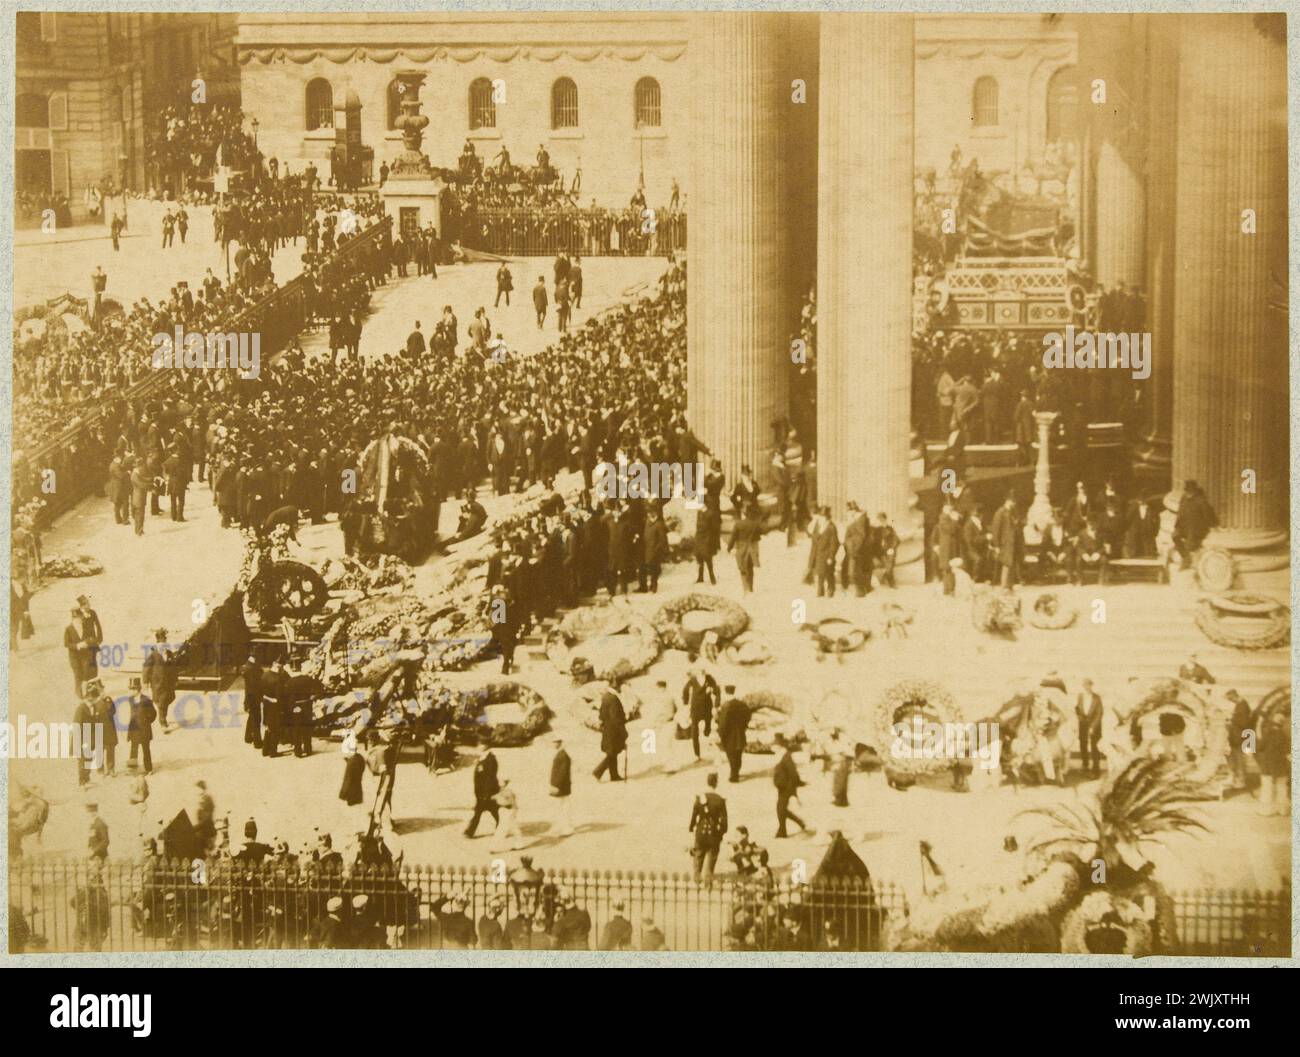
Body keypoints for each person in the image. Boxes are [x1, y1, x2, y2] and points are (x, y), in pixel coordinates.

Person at [688, 772, 728, 886]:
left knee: (698, 855)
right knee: (712, 856)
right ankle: (708, 880)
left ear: (707, 782)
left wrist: (691, 828)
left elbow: (694, 815)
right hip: (713, 833)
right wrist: (722, 832)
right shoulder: (720, 800)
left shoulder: (700, 798)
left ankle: (696, 878)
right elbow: (724, 821)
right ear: (716, 783)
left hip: (701, 831)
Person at [682, 662, 720, 762]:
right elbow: (685, 690)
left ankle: (707, 741)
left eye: (703, 670)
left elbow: (717, 690)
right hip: (695, 709)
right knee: (694, 732)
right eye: (699, 670)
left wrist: (716, 705)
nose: (702, 672)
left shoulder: (709, 678)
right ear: (696, 671)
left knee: (707, 729)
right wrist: (685, 704)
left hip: (707, 708)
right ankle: (696, 754)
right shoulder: (693, 679)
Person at [773, 737, 808, 839]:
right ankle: (799, 822)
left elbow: (793, 773)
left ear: (779, 746)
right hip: (782, 787)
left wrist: (796, 786)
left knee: (780, 809)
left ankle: (782, 832)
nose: (772, 748)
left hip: (787, 788)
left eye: (774, 746)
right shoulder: (781, 755)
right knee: (781, 809)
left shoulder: (786, 757)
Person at [592, 683, 627, 782]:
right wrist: (623, 731)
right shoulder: (613, 699)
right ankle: (597, 772)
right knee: (612, 754)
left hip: (608, 729)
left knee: (613, 752)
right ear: (616, 687)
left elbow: (601, 716)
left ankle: (614, 775)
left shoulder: (605, 697)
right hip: (614, 731)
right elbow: (615, 718)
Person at [464, 746, 500, 838]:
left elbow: (490, 778)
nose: (478, 747)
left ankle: (470, 832)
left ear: (485, 746)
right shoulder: (483, 757)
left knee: (479, 812)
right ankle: (501, 826)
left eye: (481, 745)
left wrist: (486, 793)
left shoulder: (491, 759)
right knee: (493, 811)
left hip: (488, 792)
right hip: (482, 792)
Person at [716, 687, 750, 783]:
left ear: (726, 694)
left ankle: (734, 775)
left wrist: (720, 733)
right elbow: (748, 714)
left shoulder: (726, 706)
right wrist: (744, 725)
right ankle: (736, 772)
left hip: (729, 735)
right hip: (740, 733)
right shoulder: (742, 704)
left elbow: (723, 723)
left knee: (731, 755)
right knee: (738, 754)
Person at [729, 503, 762, 594]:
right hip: (752, 549)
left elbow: (733, 537)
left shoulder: (738, 524)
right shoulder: (755, 524)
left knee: (743, 568)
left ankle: (745, 588)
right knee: (750, 568)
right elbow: (758, 537)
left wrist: (729, 547)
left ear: (745, 514)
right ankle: (751, 587)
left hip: (741, 548)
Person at [125, 676, 156, 774]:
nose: (132, 691)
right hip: (133, 729)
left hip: (144, 729)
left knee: (145, 749)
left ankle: (148, 769)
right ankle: (132, 769)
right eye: (131, 689)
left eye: (134, 689)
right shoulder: (130, 699)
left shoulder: (146, 700)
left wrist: (146, 721)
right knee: (133, 749)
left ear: (138, 689)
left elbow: (153, 714)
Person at [1075, 679, 1104, 777]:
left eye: (1088, 685)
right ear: (1083, 687)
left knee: (1094, 747)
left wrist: (1093, 727)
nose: (1087, 687)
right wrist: (1080, 719)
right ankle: (1085, 766)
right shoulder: (1080, 696)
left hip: (1094, 725)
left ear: (1092, 686)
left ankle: (1096, 770)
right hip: (1083, 724)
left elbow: (1099, 714)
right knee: (1083, 745)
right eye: (1085, 686)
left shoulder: (1097, 698)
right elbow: (1077, 709)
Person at [549, 737, 575, 836]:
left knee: (562, 807)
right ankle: (563, 827)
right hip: (561, 786)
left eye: (555, 742)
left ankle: (566, 828)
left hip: (561, 786)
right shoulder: (561, 754)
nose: (553, 744)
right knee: (562, 807)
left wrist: (556, 786)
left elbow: (562, 773)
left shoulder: (563, 755)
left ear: (559, 743)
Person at [241, 654, 263, 749]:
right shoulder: (251, 669)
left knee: (252, 717)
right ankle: (257, 742)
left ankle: (248, 737)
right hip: (253, 697)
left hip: (250, 697)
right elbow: (256, 684)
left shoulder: (248, 666)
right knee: (256, 718)